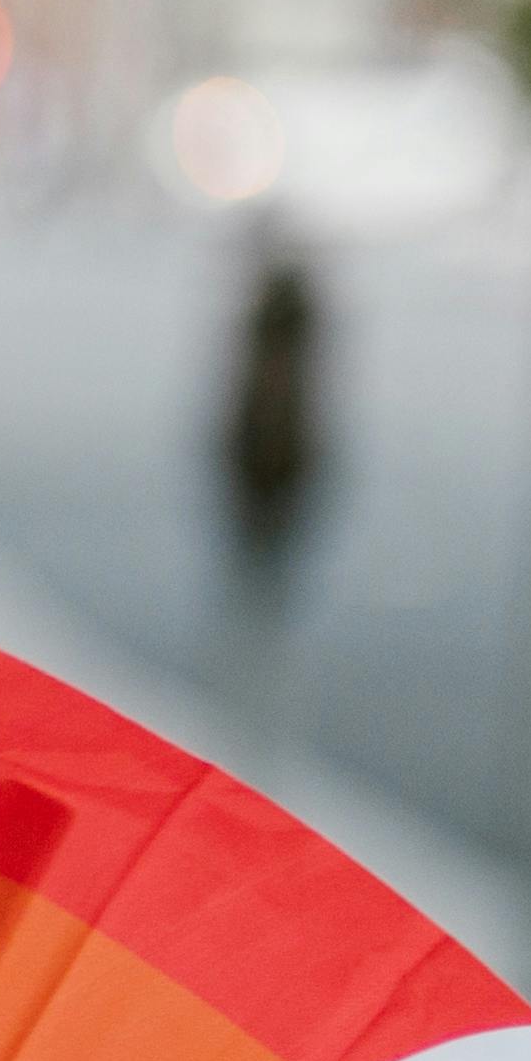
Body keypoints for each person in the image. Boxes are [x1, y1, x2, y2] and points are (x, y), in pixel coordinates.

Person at [215, 222, 325, 756]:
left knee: (262, 578)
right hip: (269, 464)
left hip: (270, 464)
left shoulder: (275, 326)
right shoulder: (288, 326)